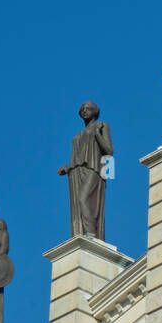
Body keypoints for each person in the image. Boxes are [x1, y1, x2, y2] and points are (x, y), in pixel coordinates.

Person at [58, 101, 113, 240]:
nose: (84, 111)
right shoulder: (77, 136)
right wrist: (67, 167)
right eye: (82, 109)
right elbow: (75, 158)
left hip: (94, 168)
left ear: (95, 111)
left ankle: (92, 233)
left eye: (88, 108)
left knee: (84, 198)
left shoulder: (102, 125)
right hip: (76, 171)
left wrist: (97, 134)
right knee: (78, 203)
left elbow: (109, 151)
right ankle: (82, 234)